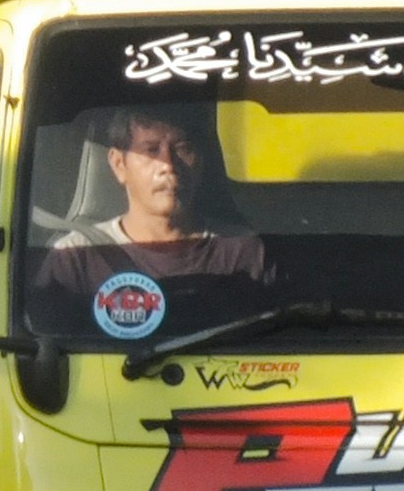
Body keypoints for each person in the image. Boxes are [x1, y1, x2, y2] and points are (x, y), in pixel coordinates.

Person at [30, 104, 276, 336]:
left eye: (182, 149)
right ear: (118, 164)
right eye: (151, 149)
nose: (168, 166)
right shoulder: (77, 257)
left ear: (201, 160)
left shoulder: (240, 251)